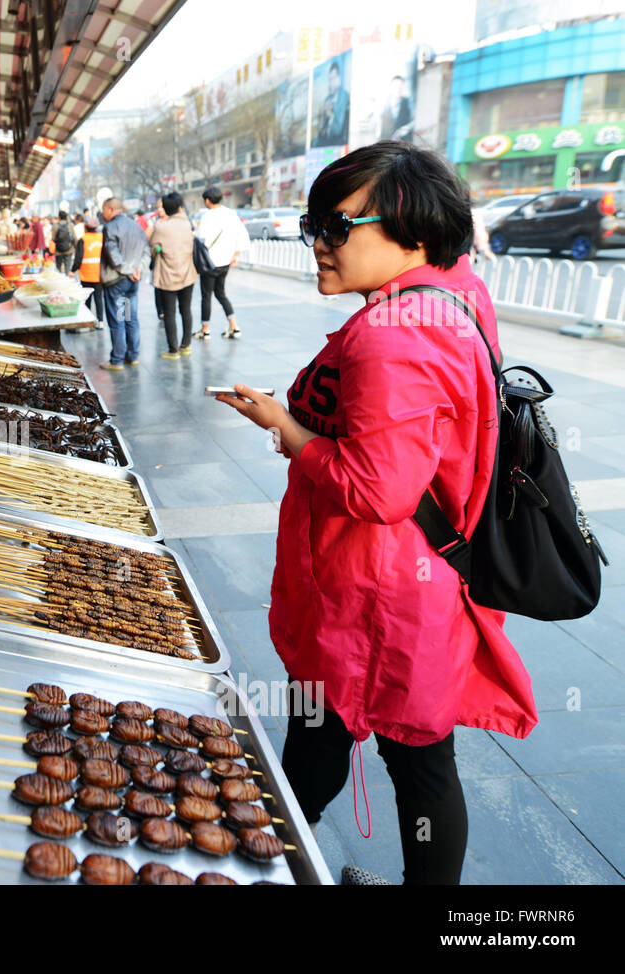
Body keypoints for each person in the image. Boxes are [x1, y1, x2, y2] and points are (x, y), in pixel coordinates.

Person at [214, 141, 536, 885]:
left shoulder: (394, 337)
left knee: (397, 754)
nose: (318, 244)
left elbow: (378, 491)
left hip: (376, 596)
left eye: (337, 226)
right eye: (313, 224)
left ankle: (264, 855)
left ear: (414, 235)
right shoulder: (451, 292)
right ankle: (276, 849)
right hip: (410, 586)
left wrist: (287, 431)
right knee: (392, 750)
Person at [98, 197, 150, 370]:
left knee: (118, 320)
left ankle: (117, 360)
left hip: (116, 281)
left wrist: (129, 270)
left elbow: (114, 257)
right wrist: (138, 270)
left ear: (111, 209)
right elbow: (146, 251)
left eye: (104, 209)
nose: (102, 213)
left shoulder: (110, 227)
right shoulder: (136, 225)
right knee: (130, 318)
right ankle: (132, 355)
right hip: (132, 281)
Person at [193, 186, 247, 339]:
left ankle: (205, 329)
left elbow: (201, 238)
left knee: (206, 296)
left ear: (208, 200)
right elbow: (241, 234)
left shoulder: (207, 217)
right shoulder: (230, 214)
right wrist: (235, 254)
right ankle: (234, 326)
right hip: (225, 262)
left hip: (209, 263)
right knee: (221, 293)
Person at [150, 192, 198, 357]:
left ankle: (173, 350)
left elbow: (154, 250)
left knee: (169, 313)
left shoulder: (161, 227)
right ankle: (186, 346)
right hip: (187, 273)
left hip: (168, 276)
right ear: (179, 207)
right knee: (186, 310)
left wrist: (158, 250)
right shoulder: (188, 224)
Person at [71, 212, 105, 327]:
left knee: (87, 298)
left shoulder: (83, 239)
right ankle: (100, 321)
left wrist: (72, 270)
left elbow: (79, 258)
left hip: (86, 274)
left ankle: (89, 320)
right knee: (99, 298)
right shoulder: (102, 238)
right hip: (99, 274)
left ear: (85, 227)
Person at [315, 60, 351, 148]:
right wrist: (324, 118)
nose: (331, 83)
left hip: (339, 143)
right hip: (326, 144)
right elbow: (320, 130)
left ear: (339, 79)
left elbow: (338, 130)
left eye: (333, 78)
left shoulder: (344, 97)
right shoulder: (327, 99)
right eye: (329, 79)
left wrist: (331, 114)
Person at [52, 209, 75, 273]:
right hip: (69, 249)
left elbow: (53, 238)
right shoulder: (70, 225)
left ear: (59, 217)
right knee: (67, 268)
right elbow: (74, 237)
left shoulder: (55, 226)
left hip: (58, 250)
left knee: (58, 268)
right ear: (66, 217)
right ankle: (67, 280)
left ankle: (59, 281)